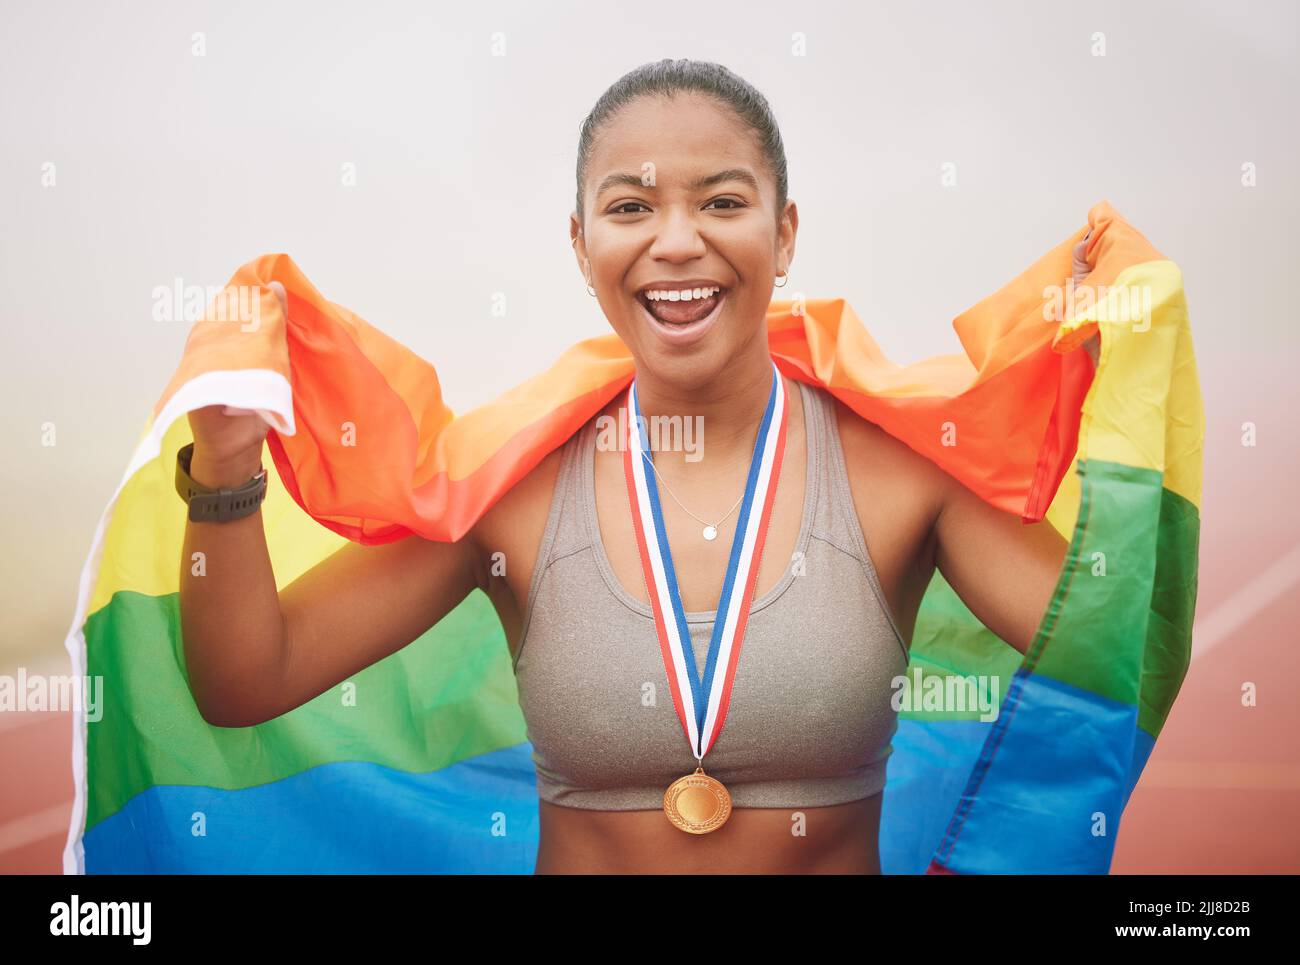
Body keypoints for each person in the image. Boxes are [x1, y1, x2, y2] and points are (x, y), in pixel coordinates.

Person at [179, 59, 1085, 874]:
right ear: (582, 245)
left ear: (787, 232)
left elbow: (1121, 660)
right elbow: (249, 679)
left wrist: (1114, 360)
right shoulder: (513, 488)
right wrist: (223, 468)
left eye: (723, 202)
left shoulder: (901, 473)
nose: (678, 240)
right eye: (630, 208)